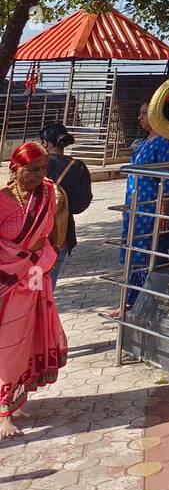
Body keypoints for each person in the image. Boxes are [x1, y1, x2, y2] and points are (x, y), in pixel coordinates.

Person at [0, 142, 68, 438]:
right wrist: (18, 263)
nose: (39, 175)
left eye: (42, 169)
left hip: (34, 281)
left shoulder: (51, 196)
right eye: (32, 170)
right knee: (7, 346)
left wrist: (41, 262)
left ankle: (11, 403)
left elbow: (55, 238)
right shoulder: (2, 201)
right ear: (15, 169)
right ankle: (3, 414)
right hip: (5, 281)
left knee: (23, 344)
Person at [109, 102, 169, 318]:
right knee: (135, 256)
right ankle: (131, 303)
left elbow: (168, 174)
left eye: (145, 113)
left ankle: (147, 304)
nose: (140, 118)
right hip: (136, 207)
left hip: (152, 207)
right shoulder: (145, 141)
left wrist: (164, 204)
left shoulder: (166, 142)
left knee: (148, 255)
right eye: (140, 113)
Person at [39, 123, 93, 288]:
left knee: (33, 288)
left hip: (36, 235)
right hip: (61, 235)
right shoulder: (78, 167)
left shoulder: (37, 165)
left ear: (45, 143)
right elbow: (80, 205)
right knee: (48, 287)